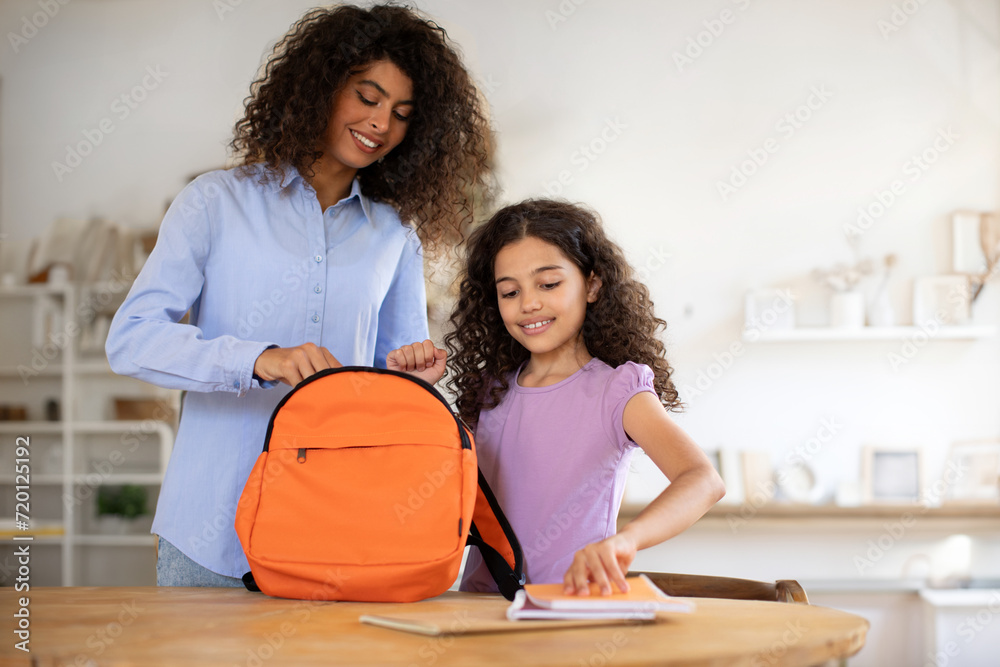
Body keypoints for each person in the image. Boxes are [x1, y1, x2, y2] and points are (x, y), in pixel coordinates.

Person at [106, 4, 493, 586]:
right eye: (367, 96)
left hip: (336, 528)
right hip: (211, 532)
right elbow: (131, 341)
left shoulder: (395, 235)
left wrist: (415, 373)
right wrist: (258, 358)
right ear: (322, 85)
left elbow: (391, 382)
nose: (381, 123)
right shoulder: (214, 203)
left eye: (402, 113)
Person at [387, 200, 725, 596]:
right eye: (510, 291)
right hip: (481, 612)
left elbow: (703, 480)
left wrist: (625, 541)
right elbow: (420, 497)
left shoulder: (618, 390)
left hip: (571, 612)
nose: (529, 303)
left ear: (593, 285)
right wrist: (412, 394)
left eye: (548, 284)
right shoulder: (489, 392)